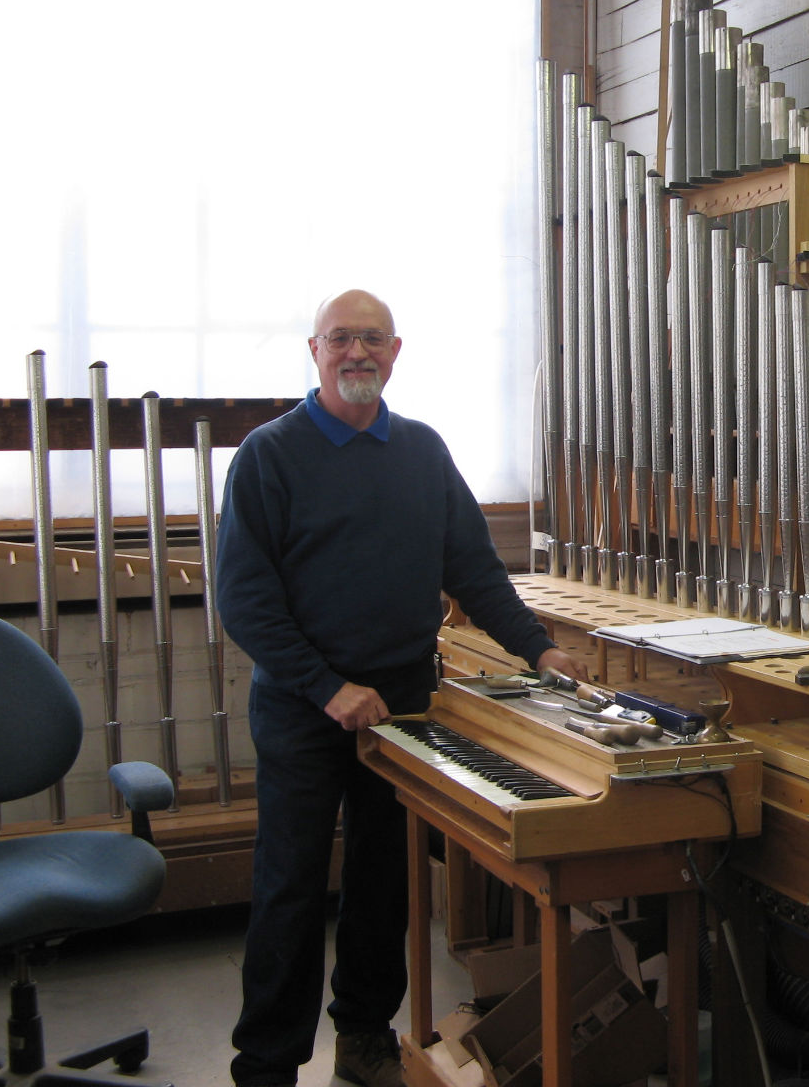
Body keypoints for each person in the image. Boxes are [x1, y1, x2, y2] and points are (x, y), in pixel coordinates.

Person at [217, 290, 588, 1087]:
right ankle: (268, 1065)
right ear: (313, 351)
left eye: (373, 340)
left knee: (386, 880)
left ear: (396, 351)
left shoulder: (422, 451)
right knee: (288, 886)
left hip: (405, 700)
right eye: (342, 339)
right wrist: (327, 687)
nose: (359, 353)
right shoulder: (269, 455)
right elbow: (245, 602)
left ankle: (364, 1037)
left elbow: (475, 572)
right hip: (303, 706)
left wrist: (539, 652)